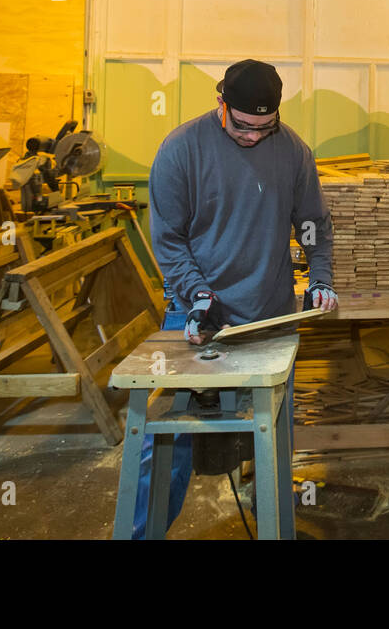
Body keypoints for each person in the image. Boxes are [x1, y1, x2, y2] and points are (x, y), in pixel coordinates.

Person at [129, 58, 337, 538]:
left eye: (265, 128)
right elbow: (169, 239)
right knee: (171, 439)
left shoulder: (293, 152)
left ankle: (274, 524)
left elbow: (314, 226)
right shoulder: (181, 150)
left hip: (269, 315)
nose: (251, 137)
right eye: (242, 126)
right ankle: (144, 532)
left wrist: (320, 278)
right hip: (196, 307)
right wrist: (198, 294)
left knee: (272, 432)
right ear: (220, 101)